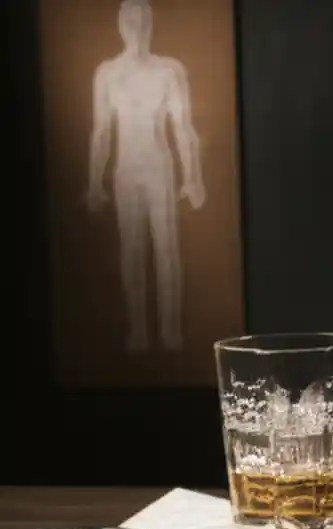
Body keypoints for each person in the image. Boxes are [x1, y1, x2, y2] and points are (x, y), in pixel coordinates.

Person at [86, 0, 204, 352]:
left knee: (166, 249)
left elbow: (184, 128)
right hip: (127, 169)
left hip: (158, 166)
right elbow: (101, 131)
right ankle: (138, 330)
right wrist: (94, 182)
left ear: (151, 24)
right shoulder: (107, 73)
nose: (137, 28)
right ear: (120, 25)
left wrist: (193, 177)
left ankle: (170, 331)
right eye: (131, 20)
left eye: (143, 20)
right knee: (133, 251)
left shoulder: (169, 71)